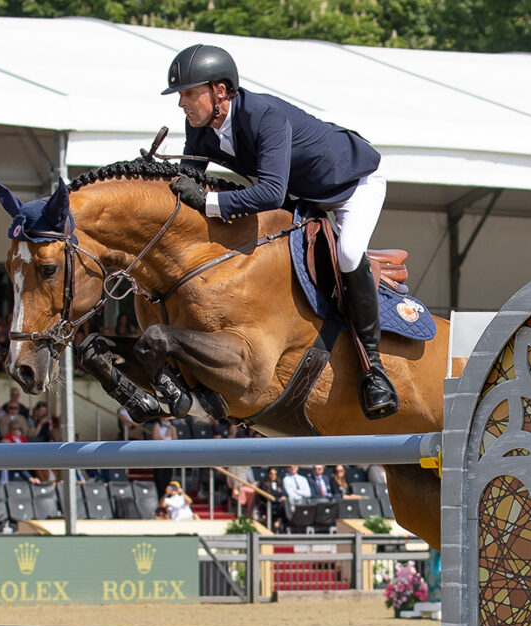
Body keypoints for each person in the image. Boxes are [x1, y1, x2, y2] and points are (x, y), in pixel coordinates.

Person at [162, 44, 397, 418]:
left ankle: (375, 371)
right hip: (302, 197)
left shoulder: (264, 116)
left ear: (220, 91)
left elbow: (270, 192)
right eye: (181, 95)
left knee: (350, 253)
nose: (182, 104)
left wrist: (209, 203)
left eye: (189, 93)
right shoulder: (202, 129)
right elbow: (189, 178)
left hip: (352, 187)